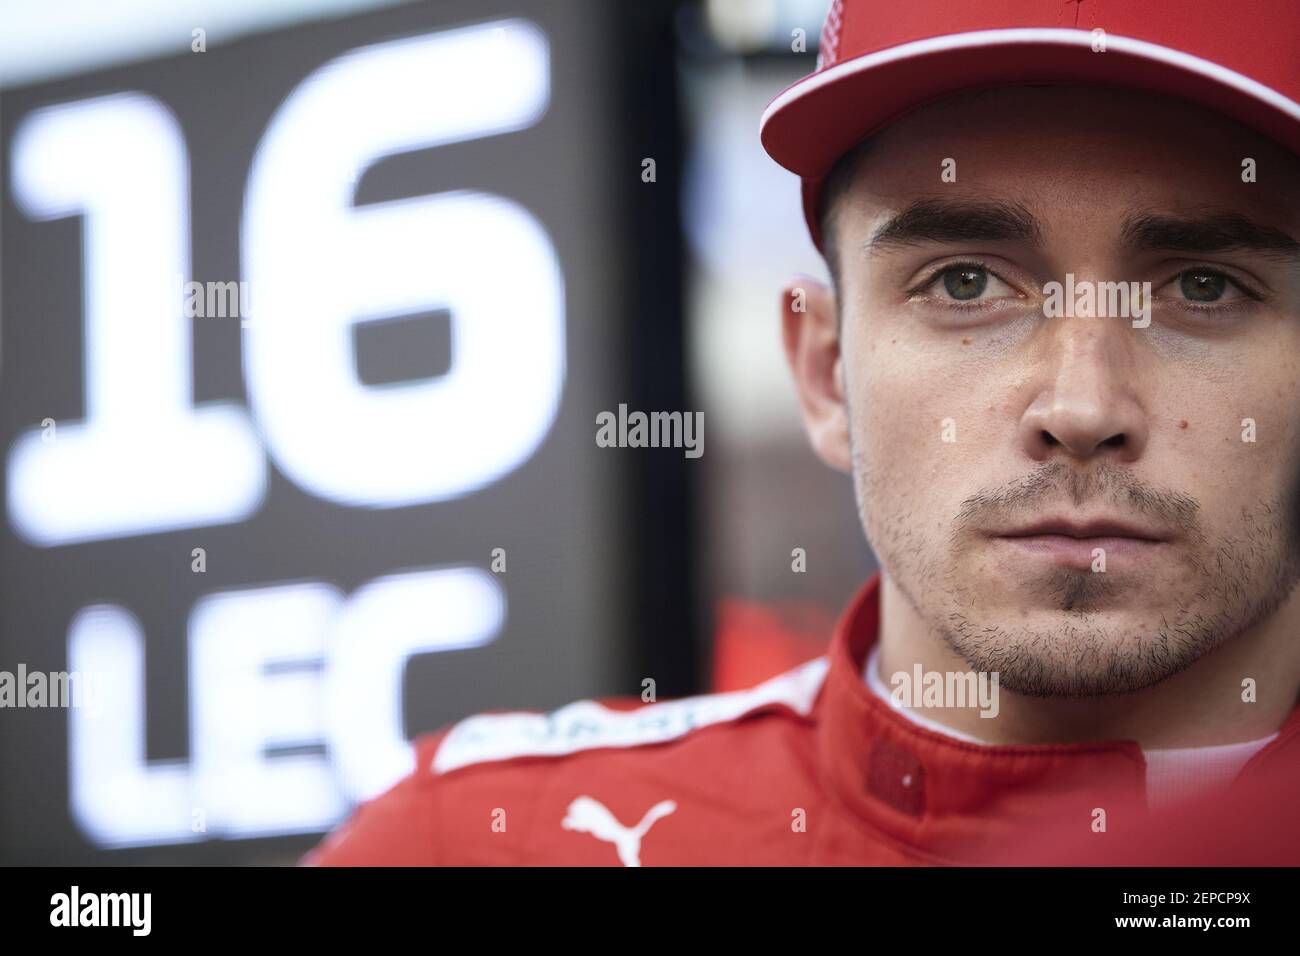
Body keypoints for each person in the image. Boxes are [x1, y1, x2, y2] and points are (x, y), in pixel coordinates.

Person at [305, 0, 1300, 866]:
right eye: (964, 283)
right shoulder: (482, 843)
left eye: (1202, 288)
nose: (1081, 408)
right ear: (824, 372)